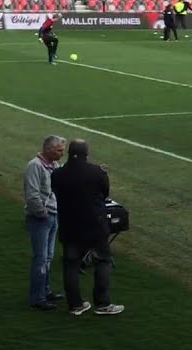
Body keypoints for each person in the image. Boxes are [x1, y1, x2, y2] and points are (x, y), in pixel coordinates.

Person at [51, 140, 123, 316]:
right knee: (103, 261)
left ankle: (75, 304)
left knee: (71, 264)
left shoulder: (58, 174)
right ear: (86, 153)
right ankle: (102, 303)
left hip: (70, 225)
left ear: (69, 152)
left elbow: (56, 192)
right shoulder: (97, 172)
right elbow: (105, 193)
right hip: (95, 225)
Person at [24, 135, 65, 311]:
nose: (62, 154)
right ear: (48, 149)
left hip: (53, 215)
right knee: (40, 258)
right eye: (59, 150)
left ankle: (45, 291)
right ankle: (37, 297)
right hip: (41, 218)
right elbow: (32, 194)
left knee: (48, 257)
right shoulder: (35, 166)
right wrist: (42, 212)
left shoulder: (54, 165)